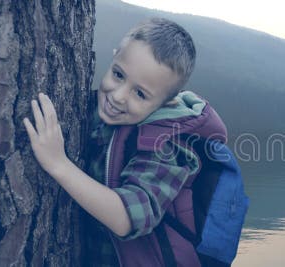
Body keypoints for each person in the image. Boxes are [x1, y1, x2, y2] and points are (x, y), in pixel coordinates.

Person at [23, 17, 227, 267]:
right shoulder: (92, 109)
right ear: (114, 56)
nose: (118, 96)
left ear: (166, 103)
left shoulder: (168, 147)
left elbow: (128, 218)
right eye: (118, 74)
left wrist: (58, 164)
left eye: (140, 94)